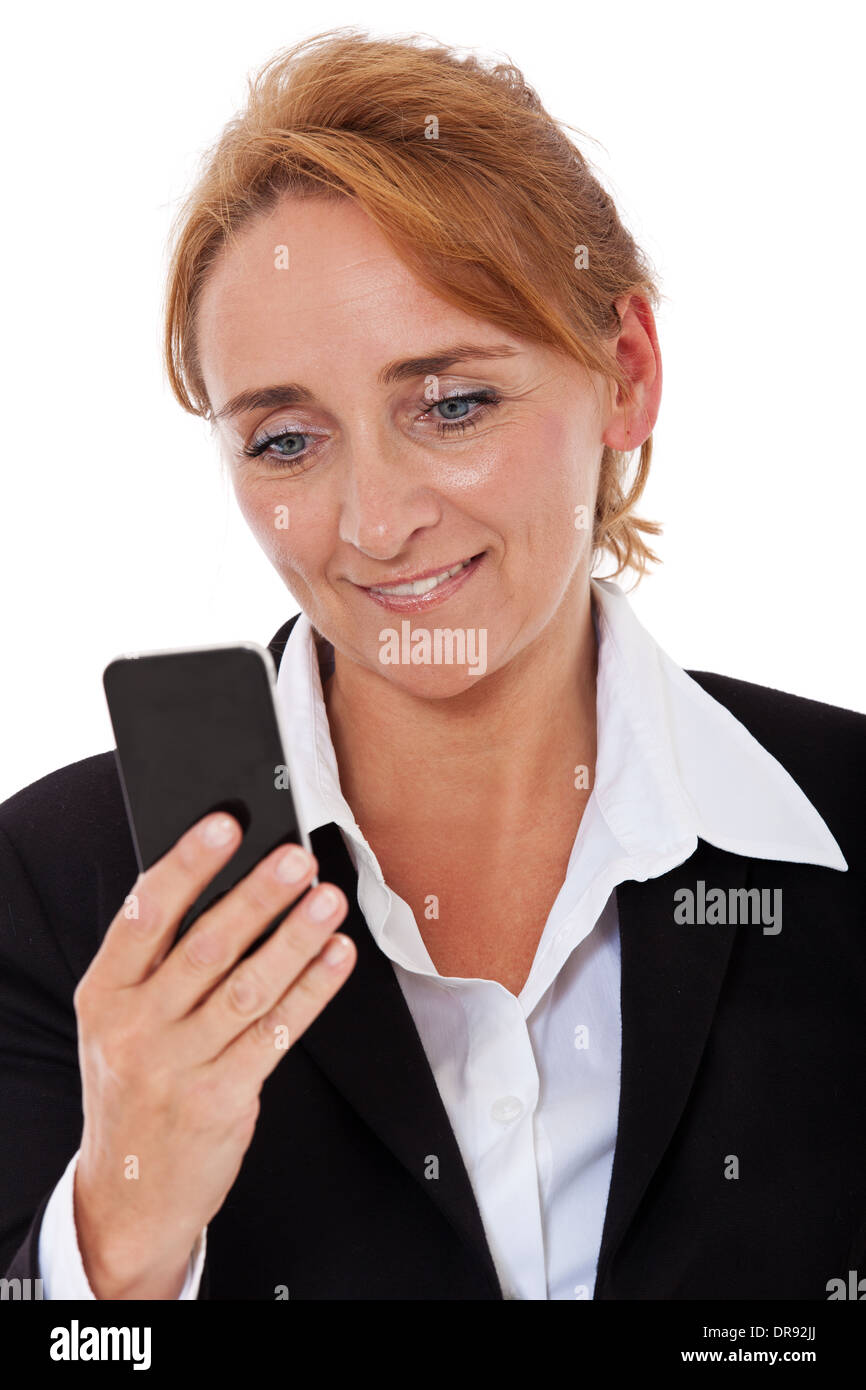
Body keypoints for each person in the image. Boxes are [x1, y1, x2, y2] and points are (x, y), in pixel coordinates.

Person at [1, 28, 864, 1302]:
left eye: (450, 404)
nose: (374, 522)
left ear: (625, 373)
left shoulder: (840, 827)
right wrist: (122, 1233)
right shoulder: (49, 890)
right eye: (287, 439)